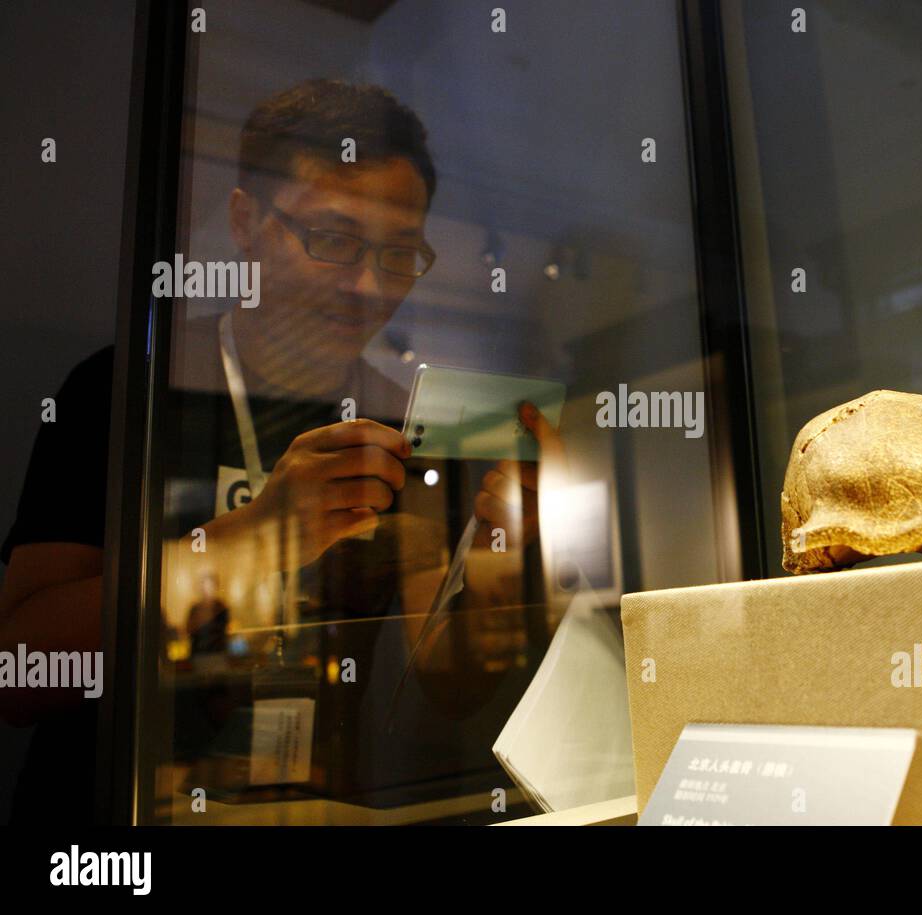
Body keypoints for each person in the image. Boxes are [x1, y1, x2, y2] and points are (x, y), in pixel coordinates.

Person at [0, 79, 561, 823]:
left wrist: (502, 556)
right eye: (332, 239)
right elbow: (20, 672)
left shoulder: (399, 419)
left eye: (399, 254)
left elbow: (446, 680)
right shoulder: (122, 391)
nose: (368, 286)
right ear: (246, 222)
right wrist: (256, 538)